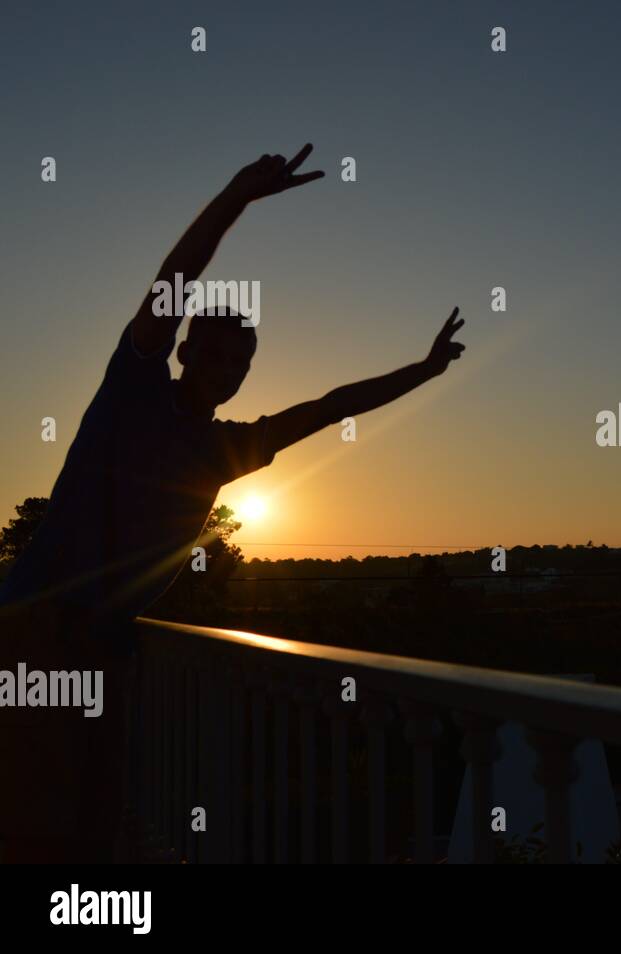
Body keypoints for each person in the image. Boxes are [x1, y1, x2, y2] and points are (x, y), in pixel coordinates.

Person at [0, 144, 466, 861]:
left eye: (240, 365)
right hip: (38, 626)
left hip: (103, 643)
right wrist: (236, 198)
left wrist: (427, 369)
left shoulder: (227, 450)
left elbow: (329, 406)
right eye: (215, 357)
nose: (227, 372)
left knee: (94, 819)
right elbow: (173, 279)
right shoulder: (134, 388)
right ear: (184, 351)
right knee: (38, 821)